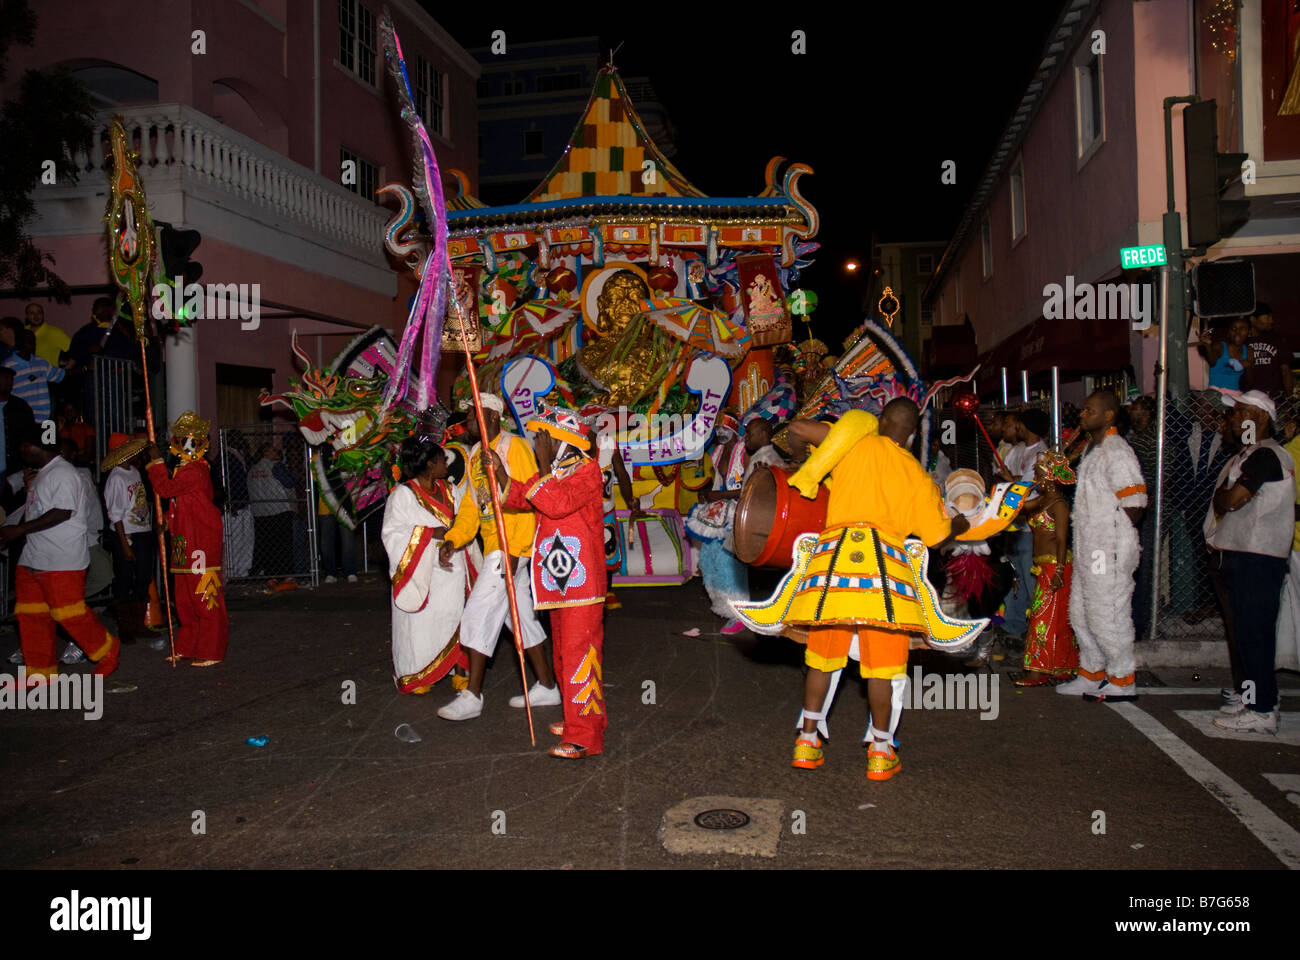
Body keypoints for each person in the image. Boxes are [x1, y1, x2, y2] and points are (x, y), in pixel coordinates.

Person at [776, 399, 970, 781]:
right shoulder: (917, 473)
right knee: (883, 668)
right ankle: (881, 753)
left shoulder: (851, 444)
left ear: (879, 423)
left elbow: (797, 428)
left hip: (833, 568)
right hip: (885, 578)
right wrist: (962, 523)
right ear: (912, 437)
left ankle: (807, 741)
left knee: (822, 658)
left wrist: (815, 453)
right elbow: (937, 536)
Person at [487, 401, 609, 758]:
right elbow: (529, 498)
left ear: (561, 439)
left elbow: (555, 503)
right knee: (563, 654)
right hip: (558, 582)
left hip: (582, 585)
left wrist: (541, 466)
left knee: (578, 656)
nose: (538, 442)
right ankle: (582, 719)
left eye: (543, 437)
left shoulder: (587, 471)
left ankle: (585, 736)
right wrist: (501, 475)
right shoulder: (560, 469)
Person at [436, 393, 558, 721]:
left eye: (475, 415)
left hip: (510, 549)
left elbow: (527, 499)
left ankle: (472, 696)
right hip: (496, 547)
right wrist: (453, 539)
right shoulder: (476, 454)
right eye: (468, 416)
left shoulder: (514, 447)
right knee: (519, 621)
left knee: (477, 614)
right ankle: (547, 686)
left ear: (493, 416)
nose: (469, 421)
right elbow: (470, 509)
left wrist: (515, 550)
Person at [0, 427, 119, 684]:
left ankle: (107, 650)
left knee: (68, 614)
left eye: (24, 445)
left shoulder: (63, 473)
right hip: (34, 557)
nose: (21, 450)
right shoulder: (44, 474)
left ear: (37, 447)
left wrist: (19, 529)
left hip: (62, 559)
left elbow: (62, 512)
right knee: (31, 615)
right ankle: (40, 673)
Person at [1205, 391, 1294, 733]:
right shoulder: (1251, 454)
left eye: (1237, 412)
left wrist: (1222, 498)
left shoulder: (1266, 455)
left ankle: (1262, 708)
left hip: (1258, 557)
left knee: (1254, 634)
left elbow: (1233, 500)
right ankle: (1253, 699)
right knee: (1245, 634)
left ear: (1257, 418)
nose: (1230, 419)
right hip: (1245, 554)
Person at [1057, 390, 1147, 700]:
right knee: (1081, 612)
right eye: (1082, 410)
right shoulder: (1091, 450)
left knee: (1106, 612)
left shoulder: (1116, 449)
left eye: (1089, 410)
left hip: (1104, 550)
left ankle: (1122, 676)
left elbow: (1135, 503)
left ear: (1109, 415)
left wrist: (1111, 543)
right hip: (1088, 548)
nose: (1082, 415)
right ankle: (1091, 672)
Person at [381, 436, 471, 695]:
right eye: (443, 459)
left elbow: (465, 518)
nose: (447, 463)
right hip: (419, 574)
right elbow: (392, 534)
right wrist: (432, 534)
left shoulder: (451, 489)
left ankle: (459, 672)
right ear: (431, 464)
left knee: (456, 617)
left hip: (451, 568)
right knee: (420, 625)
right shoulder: (402, 496)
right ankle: (420, 673)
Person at [685, 413, 784, 634]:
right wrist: (707, 492)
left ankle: (738, 611)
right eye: (717, 427)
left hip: (740, 513)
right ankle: (723, 605)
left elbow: (752, 488)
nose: (719, 431)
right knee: (710, 560)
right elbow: (719, 480)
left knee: (730, 563)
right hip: (721, 510)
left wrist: (717, 495)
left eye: (723, 426)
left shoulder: (748, 452)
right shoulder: (717, 452)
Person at [146, 411, 229, 666]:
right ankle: (188, 645)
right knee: (183, 600)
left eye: (191, 441)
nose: (186, 446)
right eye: (182, 440)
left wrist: (155, 462)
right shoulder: (183, 471)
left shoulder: (195, 471)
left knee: (205, 598)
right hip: (183, 544)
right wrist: (168, 523)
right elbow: (179, 503)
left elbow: (165, 489)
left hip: (201, 543)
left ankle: (211, 650)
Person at [1016, 450, 1079, 686]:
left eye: (1038, 473)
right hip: (1043, 566)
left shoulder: (1059, 504)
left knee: (1041, 619)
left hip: (1056, 567)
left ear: (1050, 476)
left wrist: (1060, 570)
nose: (1035, 477)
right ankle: (1062, 665)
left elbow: (1062, 540)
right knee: (1057, 618)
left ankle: (1037, 671)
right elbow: (1022, 507)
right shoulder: (1042, 500)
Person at [101, 432, 154, 646]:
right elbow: (116, 515)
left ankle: (139, 624)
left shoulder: (134, 472)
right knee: (124, 579)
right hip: (127, 534)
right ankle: (125, 627)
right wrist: (125, 545)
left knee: (143, 577)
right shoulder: (116, 478)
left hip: (142, 531)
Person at [1127, 395, 1158, 640]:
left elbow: (1161, 479)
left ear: (1147, 412)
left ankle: (1142, 622)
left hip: (1147, 511)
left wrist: (1147, 506)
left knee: (1144, 566)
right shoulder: (1132, 437)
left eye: (1136, 407)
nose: (1131, 411)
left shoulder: (1155, 438)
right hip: (1132, 508)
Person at [247, 440, 296, 581]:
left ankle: (271, 575)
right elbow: (289, 482)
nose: (277, 453)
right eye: (274, 450)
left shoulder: (253, 469)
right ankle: (286, 575)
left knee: (267, 547)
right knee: (283, 546)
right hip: (279, 510)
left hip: (260, 513)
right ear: (266, 452)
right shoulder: (276, 466)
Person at [5, 328, 69, 423]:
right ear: (19, 342)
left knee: (50, 438)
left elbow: (61, 376)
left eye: (34, 340)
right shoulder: (8, 365)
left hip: (45, 419)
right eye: (28, 340)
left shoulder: (40, 362)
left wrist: (84, 368)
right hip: (22, 420)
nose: (32, 343)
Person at [0, 367, 37, 514]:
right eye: (5, 378)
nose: (9, 382)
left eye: (11, 378)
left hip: (14, 470)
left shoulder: (20, 406)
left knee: (14, 510)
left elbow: (31, 436)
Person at [1242, 302, 1294, 401]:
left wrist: (1289, 399)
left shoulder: (1278, 341)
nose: (1272, 321)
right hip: (1247, 399)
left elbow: (1286, 371)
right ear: (1253, 320)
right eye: (1267, 317)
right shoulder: (1242, 342)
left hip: (1275, 399)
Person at [1205, 317, 1251, 391]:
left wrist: (1248, 366)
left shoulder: (1248, 350)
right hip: (1215, 393)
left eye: (1242, 329)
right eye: (1233, 329)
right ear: (1228, 332)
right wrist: (1207, 346)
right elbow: (1212, 362)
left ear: (1249, 332)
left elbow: (1249, 381)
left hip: (1234, 393)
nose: (1237, 333)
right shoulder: (1220, 346)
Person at [24, 303, 72, 369]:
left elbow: (75, 350)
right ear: (27, 316)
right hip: (26, 375)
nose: (36, 316)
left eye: (39, 312)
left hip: (49, 377)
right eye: (32, 313)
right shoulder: (22, 331)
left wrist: (67, 368)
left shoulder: (55, 332)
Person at [56, 400, 95, 465]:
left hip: (83, 467)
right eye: (66, 411)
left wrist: (69, 456)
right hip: (65, 466)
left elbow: (88, 455)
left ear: (77, 412)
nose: (69, 413)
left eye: (71, 410)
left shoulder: (86, 428)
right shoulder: (61, 431)